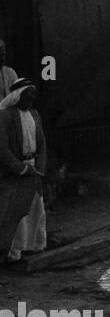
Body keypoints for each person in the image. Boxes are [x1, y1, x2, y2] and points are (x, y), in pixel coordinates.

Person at [0, 78, 47, 264]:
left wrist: (40, 168)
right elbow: (2, 148)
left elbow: (42, 143)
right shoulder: (5, 116)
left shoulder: (35, 114)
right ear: (18, 96)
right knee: (14, 212)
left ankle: (33, 246)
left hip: (33, 168)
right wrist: (20, 168)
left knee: (35, 209)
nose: (31, 98)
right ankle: (13, 252)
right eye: (28, 95)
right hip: (16, 172)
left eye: (33, 95)